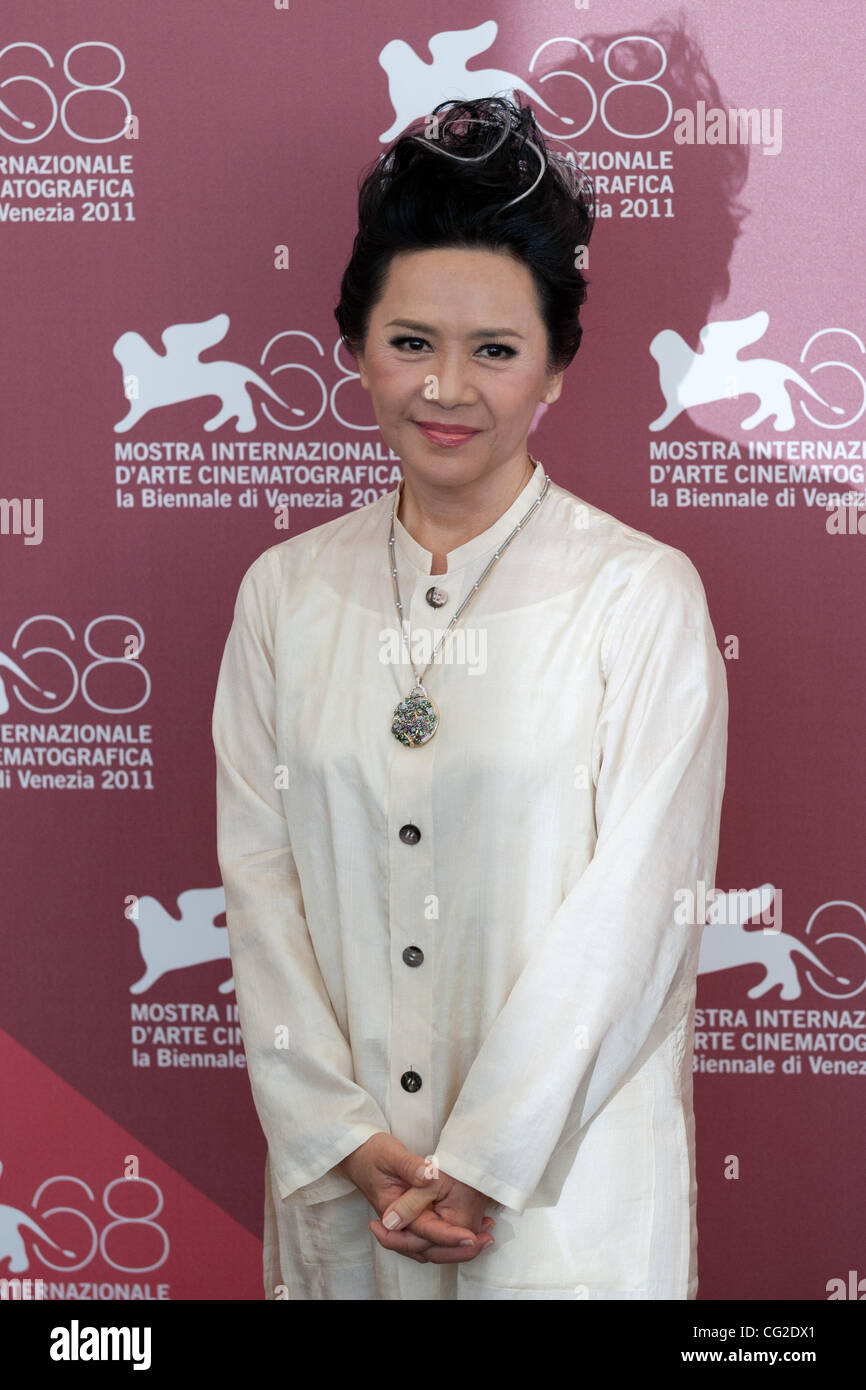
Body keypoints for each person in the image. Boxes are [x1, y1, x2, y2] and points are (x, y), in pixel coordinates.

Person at [211, 96, 728, 1300]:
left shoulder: (635, 594)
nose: (446, 388)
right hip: (349, 1197)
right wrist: (339, 1134)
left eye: (494, 350)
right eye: (410, 341)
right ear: (354, 348)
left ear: (554, 368)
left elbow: (634, 918)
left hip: (562, 1210)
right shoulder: (285, 593)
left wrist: (487, 1160)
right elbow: (261, 883)